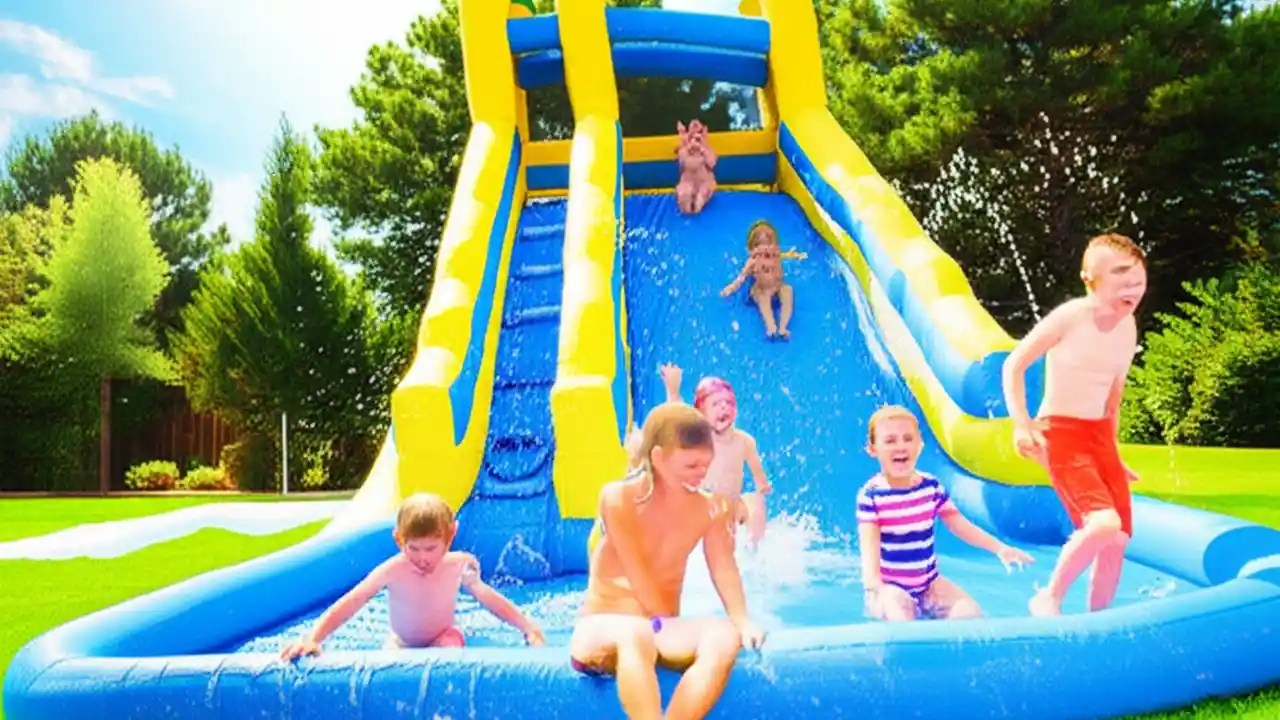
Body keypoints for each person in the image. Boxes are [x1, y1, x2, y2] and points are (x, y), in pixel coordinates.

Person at [572, 402, 767, 720]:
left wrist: (741, 619)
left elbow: (723, 566)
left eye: (706, 465)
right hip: (603, 624)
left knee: (724, 637)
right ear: (659, 458)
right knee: (634, 634)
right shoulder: (618, 498)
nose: (701, 474)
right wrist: (662, 627)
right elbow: (638, 575)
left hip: (659, 627)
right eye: (691, 466)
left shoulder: (711, 508)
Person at [1002, 233, 1147, 617]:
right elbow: (1013, 364)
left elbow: (1112, 399)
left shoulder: (1128, 327)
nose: (1133, 287)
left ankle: (1098, 623)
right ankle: (1048, 596)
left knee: (1116, 540)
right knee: (1101, 525)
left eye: (1139, 279)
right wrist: (1022, 424)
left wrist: (1114, 456)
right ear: (1091, 280)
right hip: (1061, 433)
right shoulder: (1070, 318)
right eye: (1121, 277)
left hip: (1098, 436)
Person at [280, 492, 544, 659]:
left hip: (444, 635)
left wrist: (528, 628)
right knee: (388, 669)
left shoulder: (458, 565)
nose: (422, 558)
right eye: (413, 548)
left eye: (431, 548)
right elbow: (353, 601)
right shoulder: (392, 570)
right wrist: (314, 638)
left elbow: (489, 598)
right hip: (401, 642)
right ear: (398, 539)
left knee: (450, 651)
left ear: (451, 535)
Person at [857, 405, 1034, 621]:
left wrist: (1000, 548)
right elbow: (869, 551)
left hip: (927, 585)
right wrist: (876, 589)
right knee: (900, 610)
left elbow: (959, 524)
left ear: (920, 445)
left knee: (968, 612)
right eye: (890, 441)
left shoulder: (930, 487)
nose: (900, 446)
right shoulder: (872, 496)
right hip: (887, 589)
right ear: (873, 449)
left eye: (907, 438)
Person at [649, 363, 772, 542]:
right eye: (715, 404)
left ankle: (754, 551)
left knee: (755, 502)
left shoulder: (744, 441)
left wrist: (762, 483)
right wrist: (673, 390)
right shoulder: (701, 439)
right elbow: (677, 417)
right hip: (702, 507)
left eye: (728, 403)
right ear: (701, 413)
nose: (724, 407)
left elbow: (758, 474)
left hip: (731, 507)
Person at [720, 220, 804, 340]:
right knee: (763, 296)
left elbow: (782, 272)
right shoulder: (752, 262)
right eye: (760, 246)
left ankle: (783, 327)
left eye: (770, 244)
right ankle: (771, 326)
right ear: (752, 250)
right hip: (760, 289)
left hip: (776, 288)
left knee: (788, 290)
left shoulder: (777, 258)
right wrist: (731, 288)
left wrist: (793, 257)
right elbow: (741, 278)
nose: (766, 250)